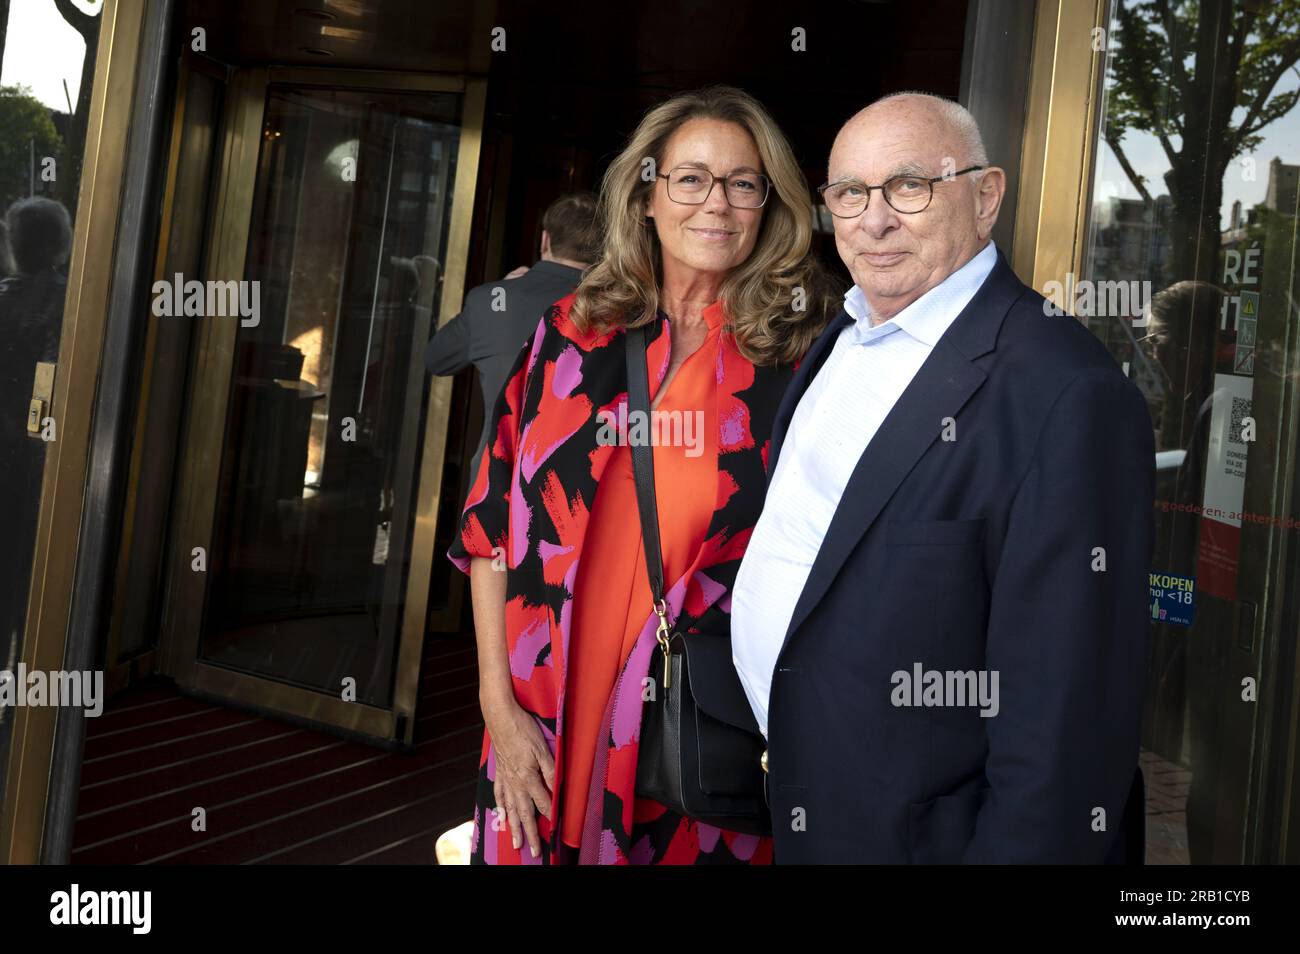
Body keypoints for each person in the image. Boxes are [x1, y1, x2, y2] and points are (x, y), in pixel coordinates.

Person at [731, 92, 1155, 863]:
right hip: (808, 807)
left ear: (986, 197)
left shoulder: (1066, 391)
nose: (874, 219)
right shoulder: (846, 333)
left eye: (909, 186)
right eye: (850, 194)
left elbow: (1068, 725)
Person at [447, 86, 838, 864]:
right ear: (647, 195)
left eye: (743, 182)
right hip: (540, 714)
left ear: (770, 204)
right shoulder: (569, 335)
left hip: (692, 729)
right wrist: (497, 704)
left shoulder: (800, 361)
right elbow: (489, 527)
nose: (716, 204)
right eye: (690, 178)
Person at [426, 192, 599, 472]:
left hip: (493, 484)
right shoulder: (617, 312)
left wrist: (502, 290)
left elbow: (438, 359)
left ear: (545, 240)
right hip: (574, 487)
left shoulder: (488, 301)